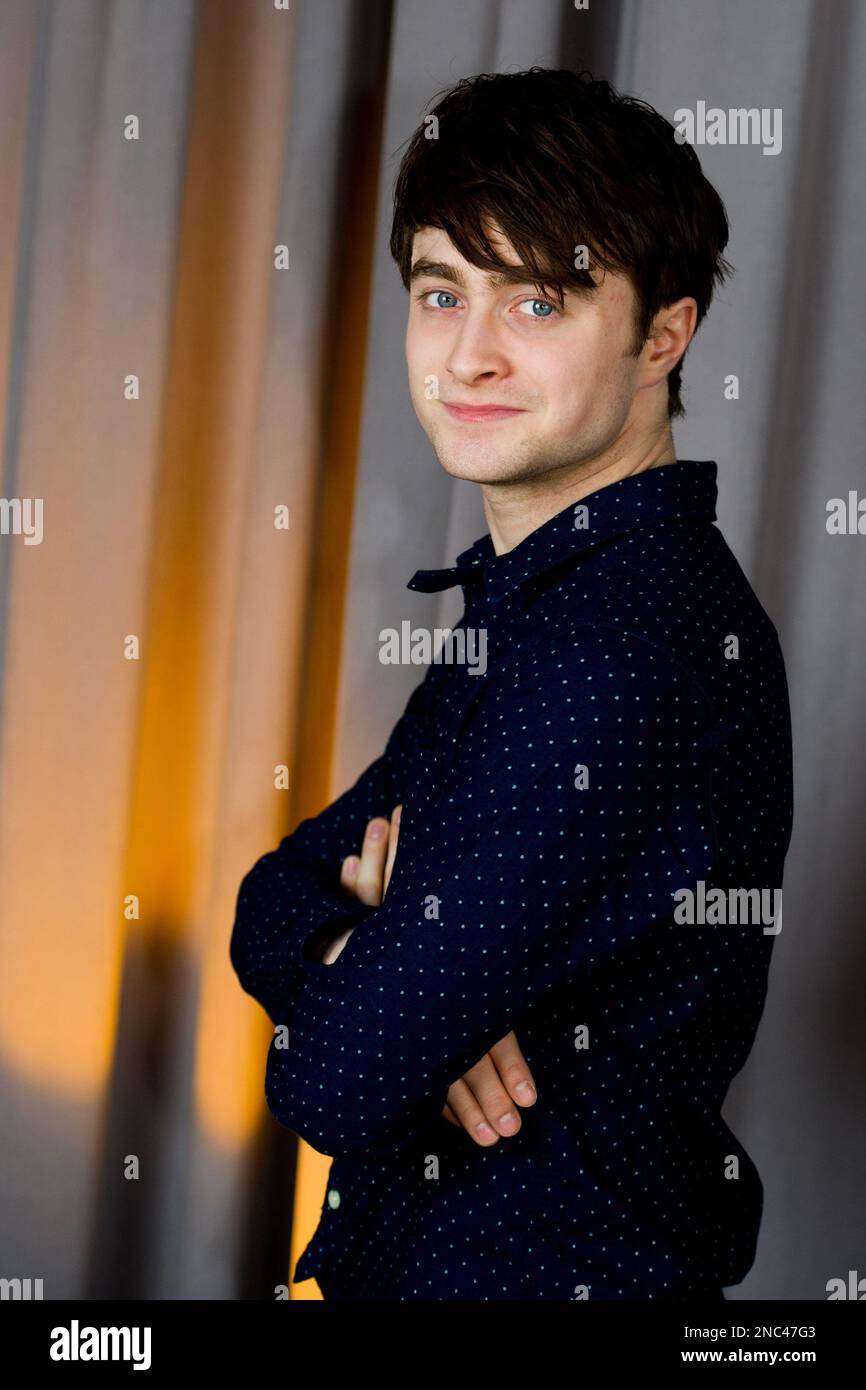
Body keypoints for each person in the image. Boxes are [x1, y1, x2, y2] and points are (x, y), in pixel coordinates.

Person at [230, 67, 793, 1301]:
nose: (468, 355)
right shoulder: (539, 598)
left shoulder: (623, 645)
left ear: (662, 334)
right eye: (441, 293)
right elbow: (267, 894)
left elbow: (328, 1079)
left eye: (538, 302)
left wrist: (387, 1000)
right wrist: (355, 951)